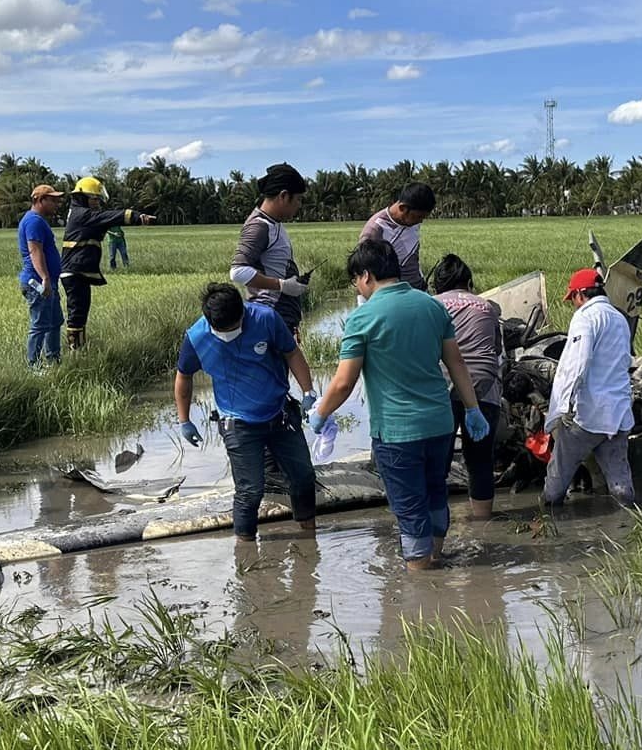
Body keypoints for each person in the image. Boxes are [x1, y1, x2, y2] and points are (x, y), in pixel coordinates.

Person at [309, 238, 488, 571]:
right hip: (440, 423)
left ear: (366, 276)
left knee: (408, 508)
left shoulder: (362, 319)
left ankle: (422, 583)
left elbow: (344, 382)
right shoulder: (432, 306)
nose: (357, 289)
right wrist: (473, 408)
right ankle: (436, 559)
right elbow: (457, 364)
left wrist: (321, 413)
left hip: (397, 431)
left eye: (355, 281)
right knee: (436, 492)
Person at [173, 283, 318, 548]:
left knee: (303, 478)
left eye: (235, 327)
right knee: (250, 491)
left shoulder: (264, 319)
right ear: (210, 322)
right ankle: (245, 552)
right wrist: (184, 420)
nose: (230, 335)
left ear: (244, 312)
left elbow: (292, 353)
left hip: (280, 413)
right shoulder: (197, 337)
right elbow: (184, 376)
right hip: (238, 423)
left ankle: (309, 539)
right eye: (222, 331)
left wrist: (308, 391)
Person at [544, 267, 637, 510]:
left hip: (587, 415)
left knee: (558, 476)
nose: (573, 304)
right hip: (618, 415)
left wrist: (560, 408)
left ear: (580, 294)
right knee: (621, 485)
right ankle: (630, 527)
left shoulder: (585, 318)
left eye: (572, 298)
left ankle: (549, 519)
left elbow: (576, 363)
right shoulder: (619, 318)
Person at [428, 254, 503, 521]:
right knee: (480, 462)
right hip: (485, 388)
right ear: (469, 283)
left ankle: (435, 528)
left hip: (443, 389)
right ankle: (483, 525)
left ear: (437, 286)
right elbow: (496, 350)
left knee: (437, 464)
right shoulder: (487, 307)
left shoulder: (430, 305)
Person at [59, 177, 155, 353]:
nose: (97, 203)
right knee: (77, 314)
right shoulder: (82, 214)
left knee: (80, 312)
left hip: (77, 271)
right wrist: (136, 217)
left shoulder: (79, 213)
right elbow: (109, 217)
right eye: (94, 199)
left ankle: (80, 350)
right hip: (74, 272)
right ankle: (75, 352)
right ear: (83, 197)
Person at [231, 162, 311, 334]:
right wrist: (281, 285)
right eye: (298, 199)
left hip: (280, 319)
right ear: (283, 196)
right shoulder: (259, 227)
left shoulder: (274, 224)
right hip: (269, 317)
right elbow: (238, 272)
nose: (299, 205)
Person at [358, 180, 436, 290]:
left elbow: (413, 257)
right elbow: (362, 272)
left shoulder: (412, 222)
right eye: (418, 217)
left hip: (417, 289)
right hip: (392, 295)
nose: (420, 222)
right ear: (402, 208)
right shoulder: (375, 230)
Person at [18, 184, 65, 366]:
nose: (56, 204)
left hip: (48, 282)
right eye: (52, 200)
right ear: (39, 200)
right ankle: (33, 366)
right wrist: (45, 278)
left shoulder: (38, 220)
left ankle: (54, 360)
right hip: (38, 282)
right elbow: (35, 251)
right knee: (40, 325)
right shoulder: (34, 221)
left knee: (54, 322)